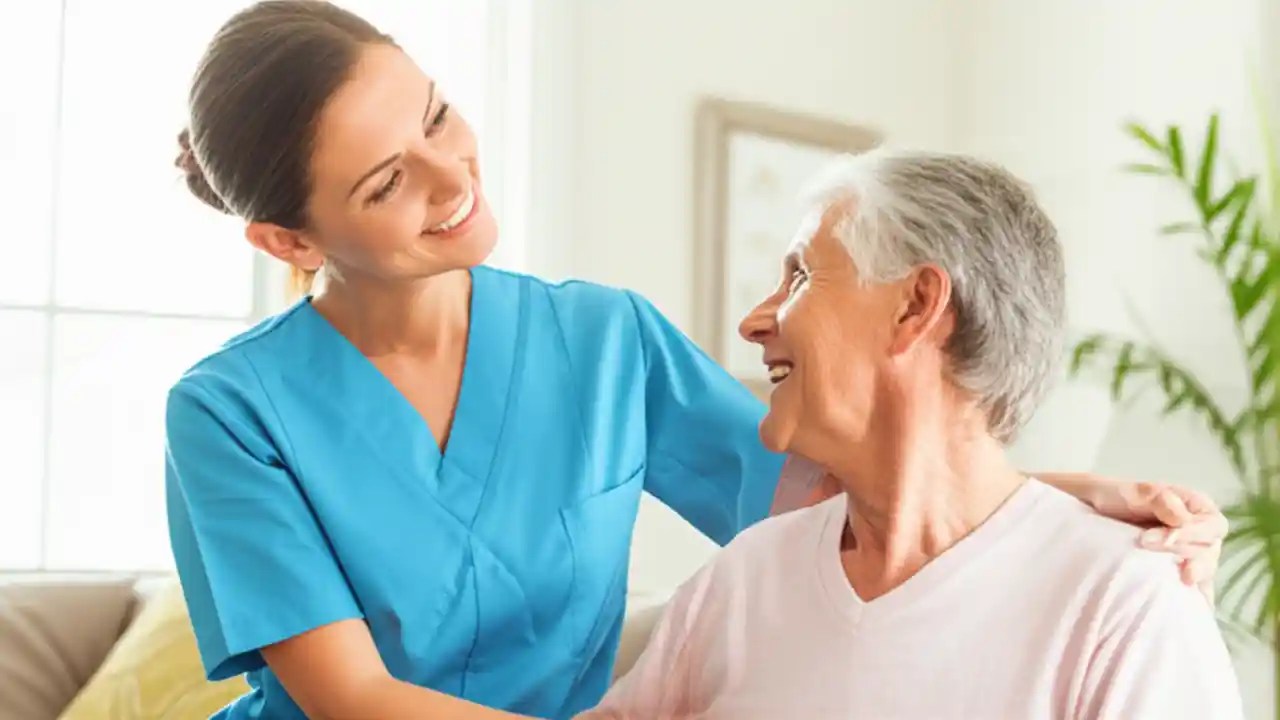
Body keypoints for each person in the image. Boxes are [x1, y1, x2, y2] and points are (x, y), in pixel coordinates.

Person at [163, 3, 1228, 719]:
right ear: (289, 242)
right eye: (389, 182)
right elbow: (352, 698)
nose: (454, 179)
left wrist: (1067, 503)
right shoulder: (228, 411)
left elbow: (839, 488)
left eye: (439, 114)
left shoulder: (602, 342)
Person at [582, 151, 1243, 720]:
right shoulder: (745, 578)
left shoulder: (1125, 604)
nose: (755, 322)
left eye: (802, 277)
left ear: (916, 307)